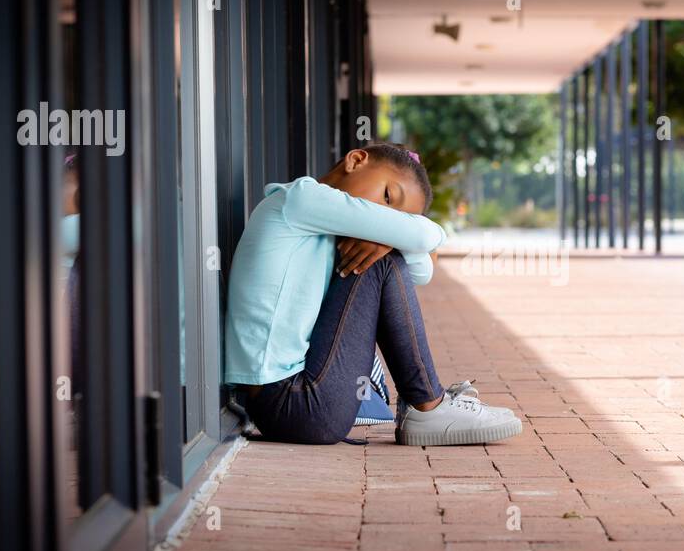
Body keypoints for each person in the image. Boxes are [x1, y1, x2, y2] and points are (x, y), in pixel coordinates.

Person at [224, 142, 522, 447]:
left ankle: (426, 404)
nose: (383, 217)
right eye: (388, 198)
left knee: (386, 260)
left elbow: (421, 270)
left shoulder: (329, 228)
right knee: (381, 265)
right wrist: (396, 239)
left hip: (298, 404)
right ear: (355, 160)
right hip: (292, 404)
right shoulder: (301, 198)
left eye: (397, 217)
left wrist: (389, 242)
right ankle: (428, 404)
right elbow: (423, 237)